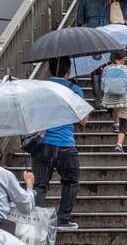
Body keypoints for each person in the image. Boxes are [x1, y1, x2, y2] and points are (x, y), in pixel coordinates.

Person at [31, 57, 87, 231]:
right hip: (65, 143)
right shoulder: (74, 89)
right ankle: (63, 219)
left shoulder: (39, 88)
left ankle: (36, 221)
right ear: (68, 71)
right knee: (70, 182)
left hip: (43, 144)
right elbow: (84, 120)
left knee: (40, 185)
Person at [100, 49, 127, 153]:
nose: (125, 61)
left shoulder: (106, 69)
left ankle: (115, 123)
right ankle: (119, 145)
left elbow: (103, 86)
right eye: (124, 59)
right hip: (124, 98)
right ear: (119, 60)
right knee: (124, 122)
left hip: (110, 98)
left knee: (115, 105)